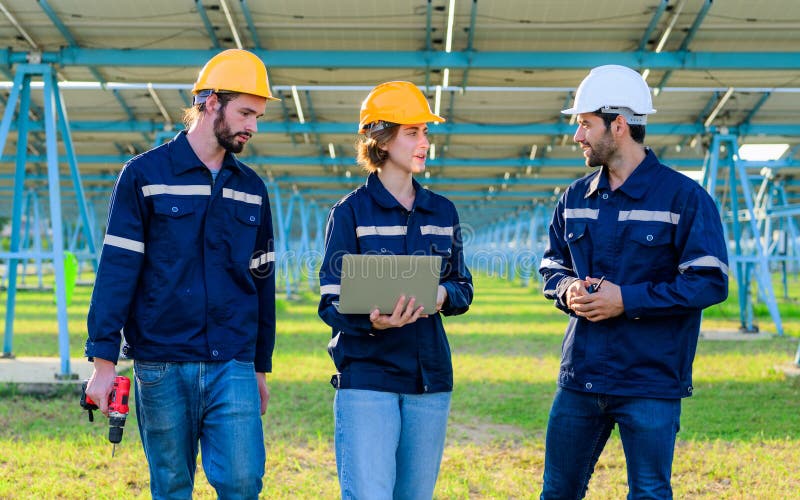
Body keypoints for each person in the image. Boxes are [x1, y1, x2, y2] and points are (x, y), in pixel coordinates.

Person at [84, 49, 279, 499]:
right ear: (211, 102)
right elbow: (117, 270)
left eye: (258, 115)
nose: (253, 126)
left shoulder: (251, 189)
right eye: (246, 112)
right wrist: (103, 362)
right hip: (162, 362)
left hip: (232, 360)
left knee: (243, 481)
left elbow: (262, 283)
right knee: (171, 485)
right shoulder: (144, 176)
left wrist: (260, 369)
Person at [537, 65, 729, 499]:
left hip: (650, 379)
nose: (577, 136)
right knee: (558, 491)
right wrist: (566, 289)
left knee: (648, 492)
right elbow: (551, 264)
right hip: (581, 376)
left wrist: (627, 299)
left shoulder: (684, 199)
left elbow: (709, 281)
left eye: (585, 124)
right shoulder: (573, 198)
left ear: (618, 125)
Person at [318, 81, 474, 499]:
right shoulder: (349, 213)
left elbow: (462, 286)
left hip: (429, 379)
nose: (424, 142)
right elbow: (330, 300)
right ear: (381, 140)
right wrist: (371, 320)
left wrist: (441, 296)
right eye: (413, 133)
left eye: (425, 132)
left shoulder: (442, 211)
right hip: (368, 376)